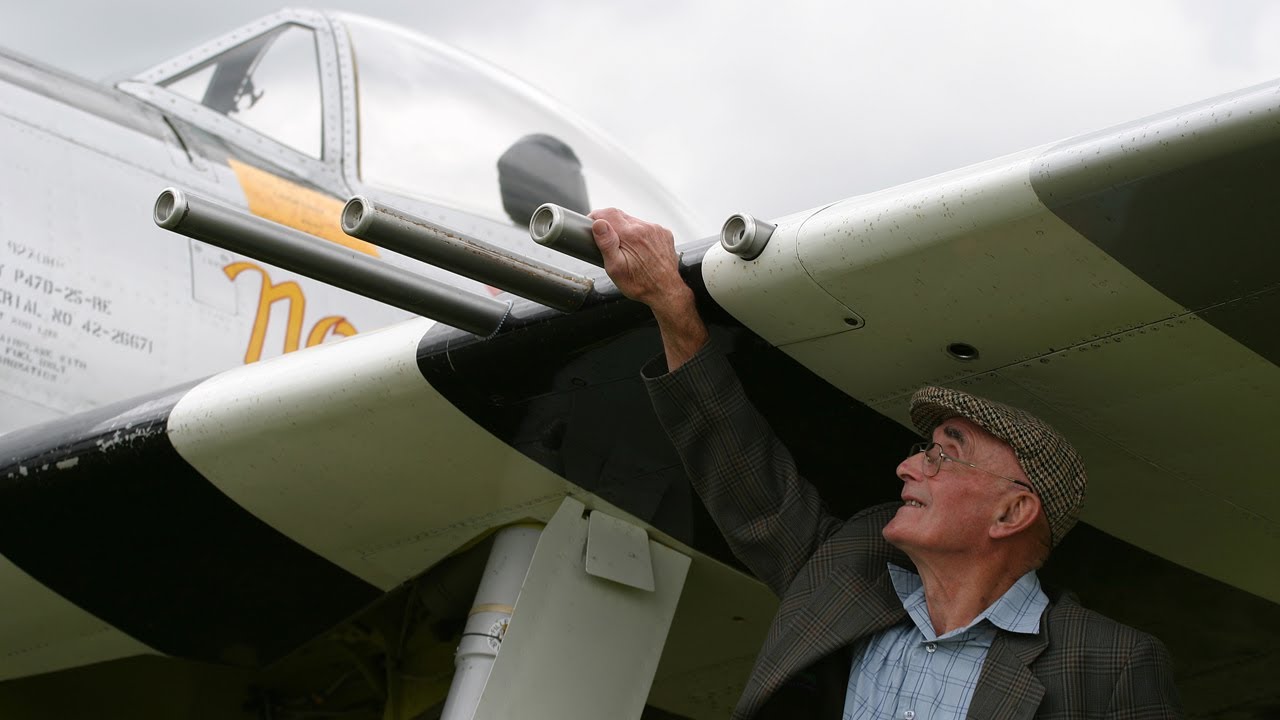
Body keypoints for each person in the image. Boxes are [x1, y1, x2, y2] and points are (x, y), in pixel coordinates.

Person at [587, 208, 1182, 720]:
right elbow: (743, 473)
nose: (907, 468)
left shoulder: (1109, 663)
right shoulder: (844, 575)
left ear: (1012, 511)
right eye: (924, 450)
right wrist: (670, 302)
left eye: (946, 455)